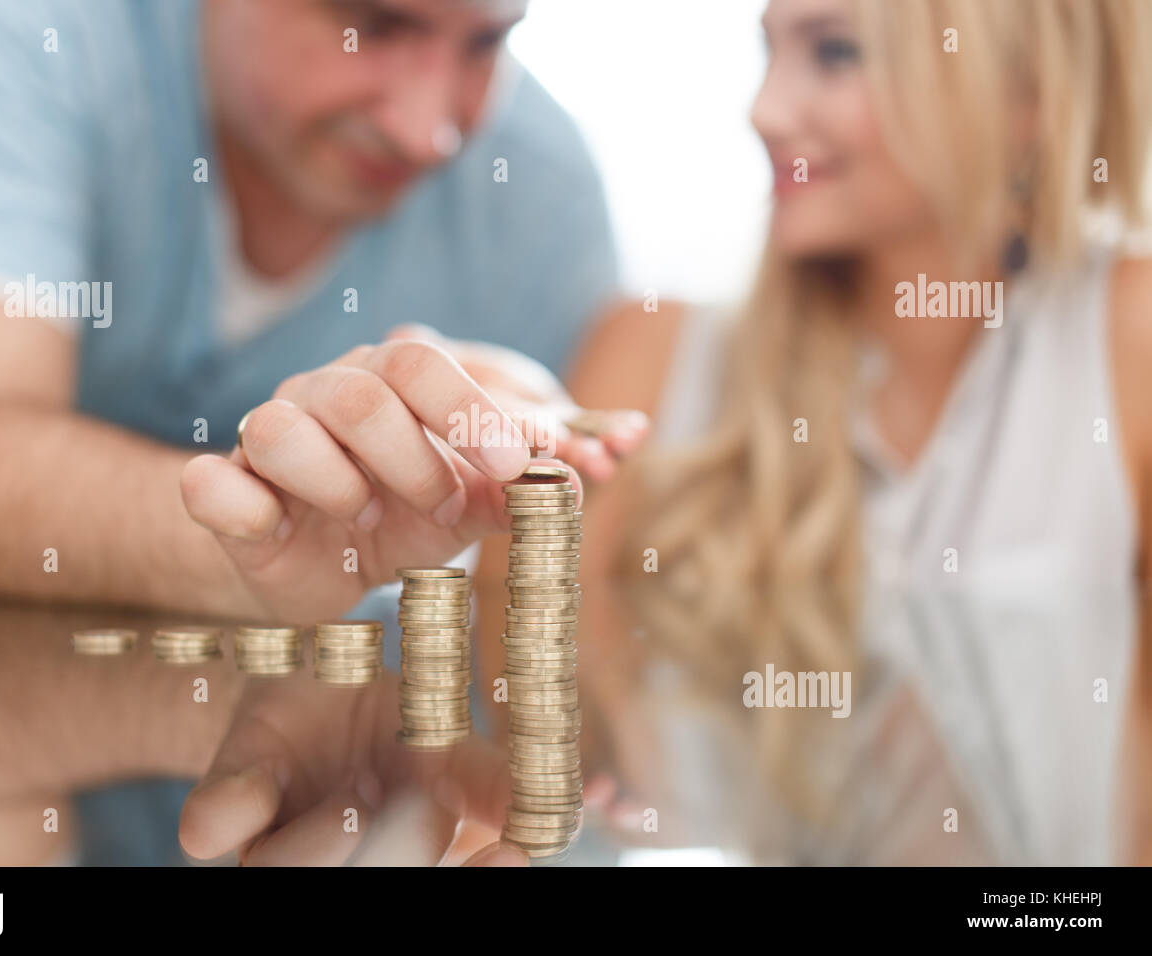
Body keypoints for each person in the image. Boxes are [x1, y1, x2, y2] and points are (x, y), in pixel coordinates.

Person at [477, 0, 1152, 864]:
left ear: (1028, 94)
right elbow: (519, 702)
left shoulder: (1123, 341)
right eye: (770, 51)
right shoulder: (651, 356)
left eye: (835, 53)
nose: (764, 110)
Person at [0, 0, 647, 620]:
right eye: (373, 23)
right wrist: (258, 545)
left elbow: (547, 575)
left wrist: (512, 452)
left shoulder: (544, 192)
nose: (428, 130)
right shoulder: (17, 27)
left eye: (487, 42)